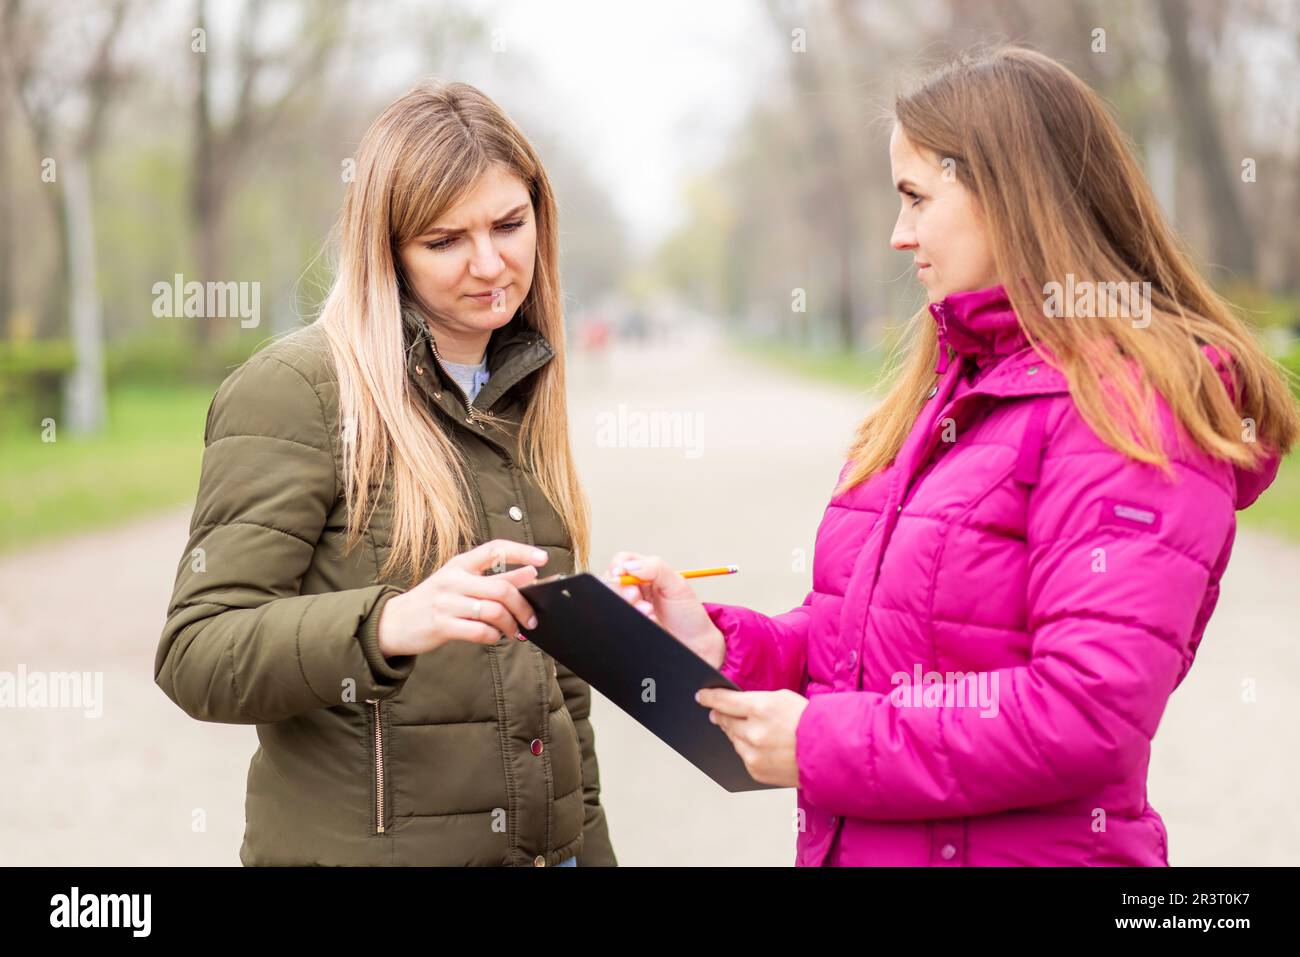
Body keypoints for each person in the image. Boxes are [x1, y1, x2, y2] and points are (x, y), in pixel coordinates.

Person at [605, 46, 1299, 866]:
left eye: (916, 198)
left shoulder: (1131, 408)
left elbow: (1087, 713)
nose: (899, 235)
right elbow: (872, 642)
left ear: (1012, 199)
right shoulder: (950, 387)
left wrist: (824, 742)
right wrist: (725, 645)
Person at [156, 80, 615, 867]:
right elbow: (196, 652)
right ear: (388, 249)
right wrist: (388, 625)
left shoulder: (524, 388)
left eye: (510, 223)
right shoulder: (299, 390)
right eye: (444, 241)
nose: (489, 262)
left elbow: (560, 698)